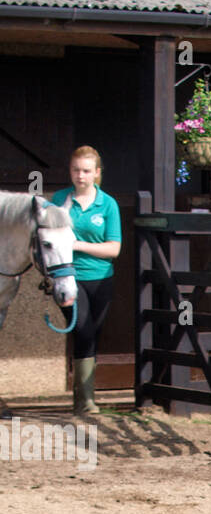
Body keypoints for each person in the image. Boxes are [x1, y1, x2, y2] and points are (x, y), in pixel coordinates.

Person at [51, 146, 122, 415]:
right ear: (70, 171)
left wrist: (76, 244)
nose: (80, 175)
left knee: (93, 333)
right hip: (68, 275)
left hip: (101, 277)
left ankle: (82, 398)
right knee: (83, 330)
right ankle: (85, 402)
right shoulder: (59, 200)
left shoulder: (108, 204)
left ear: (97, 173)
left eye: (86, 170)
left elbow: (113, 248)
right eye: (76, 170)